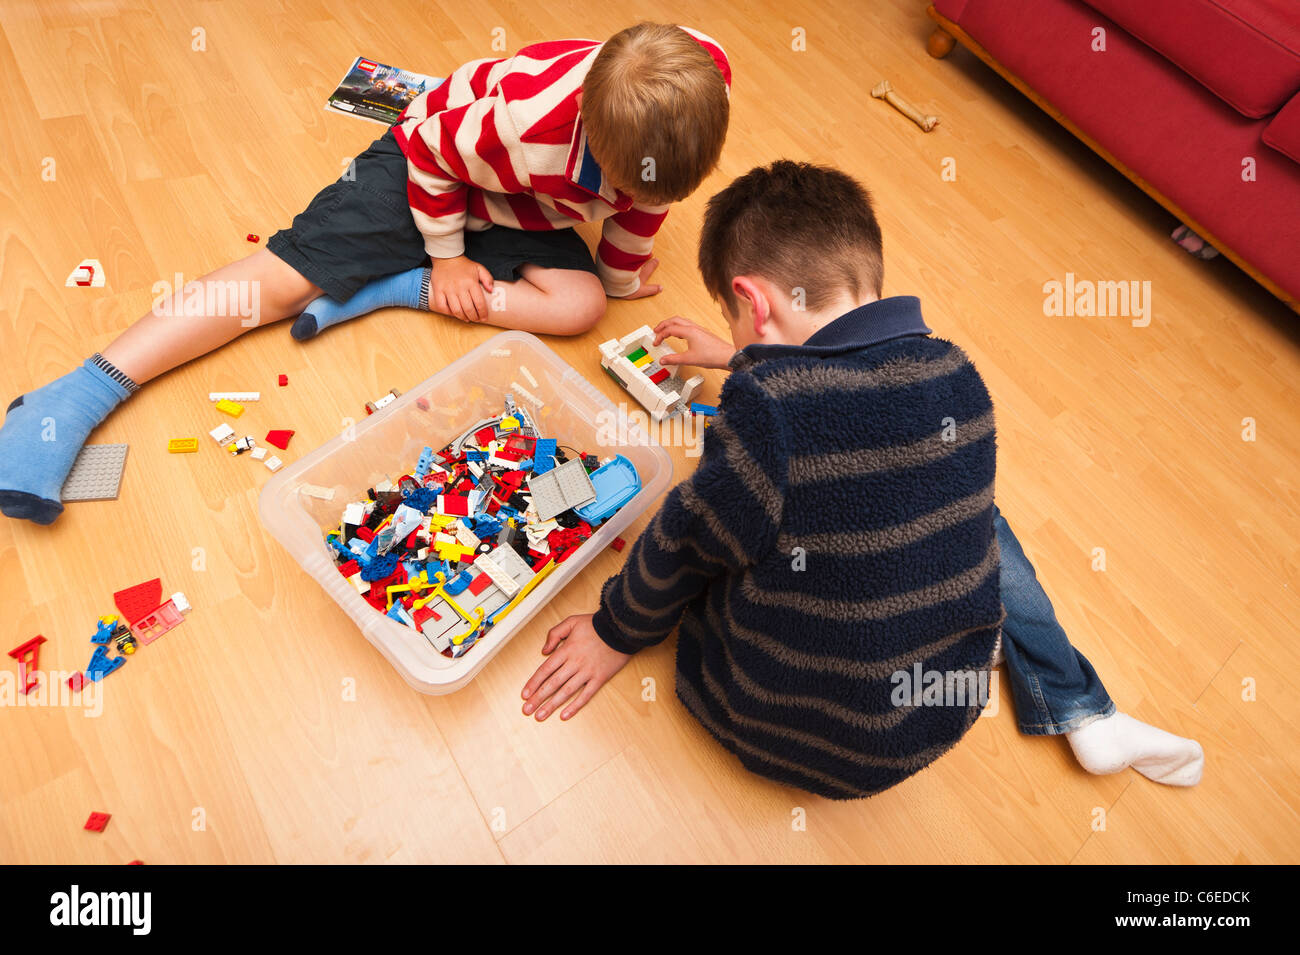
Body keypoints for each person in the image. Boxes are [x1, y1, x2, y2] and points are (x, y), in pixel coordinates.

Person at [521, 161, 1204, 797]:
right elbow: (840, 376)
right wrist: (744, 354)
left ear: (751, 302)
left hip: (783, 727)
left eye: (736, 320)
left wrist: (614, 631)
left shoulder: (770, 411)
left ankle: (1071, 701)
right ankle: (1080, 704)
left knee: (727, 518)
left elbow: (683, 542)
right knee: (978, 514)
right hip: (929, 720)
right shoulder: (955, 372)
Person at [0, 22, 731, 525]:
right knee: (285, 279)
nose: (635, 206)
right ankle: (74, 395)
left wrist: (621, 275)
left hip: (522, 198)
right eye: (625, 189)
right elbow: (438, 155)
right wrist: (447, 259)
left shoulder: (701, 89)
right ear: (590, 136)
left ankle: (392, 289)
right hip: (429, 159)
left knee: (581, 305)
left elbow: (641, 210)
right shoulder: (523, 125)